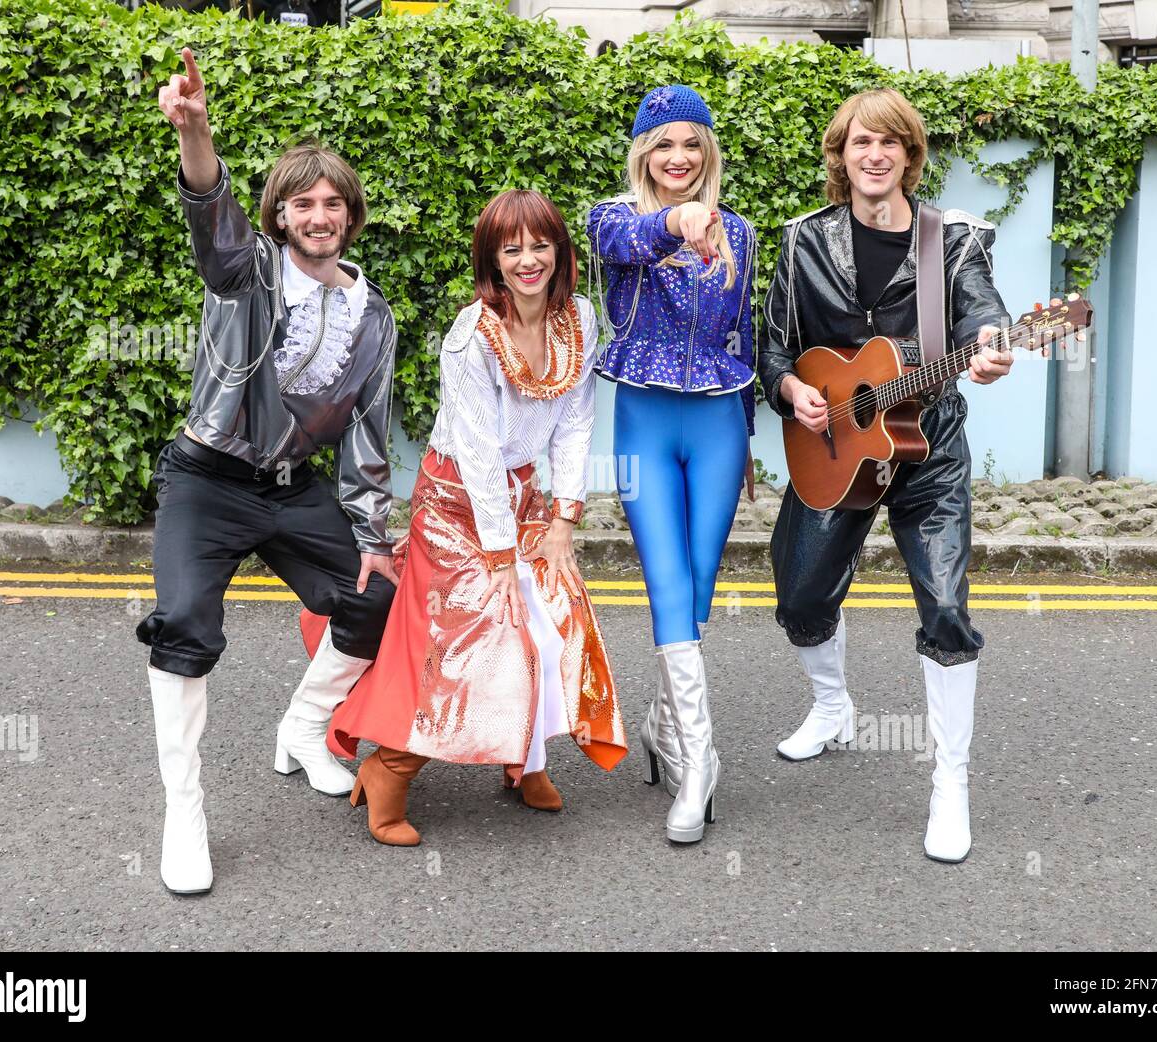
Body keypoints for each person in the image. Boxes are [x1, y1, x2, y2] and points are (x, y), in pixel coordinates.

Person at [139, 49, 398, 893]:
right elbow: (211, 217)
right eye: (302, 203)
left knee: (375, 598)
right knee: (182, 625)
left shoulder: (374, 315)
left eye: (332, 203)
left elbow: (366, 428)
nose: (319, 216)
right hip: (208, 481)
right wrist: (197, 131)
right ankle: (186, 813)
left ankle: (304, 725)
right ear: (280, 217)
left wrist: (372, 535)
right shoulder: (246, 275)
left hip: (293, 492)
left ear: (350, 215)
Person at [302, 189, 626, 846]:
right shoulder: (470, 338)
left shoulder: (581, 320)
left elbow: (574, 421)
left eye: (541, 244)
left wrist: (565, 520)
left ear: (560, 250)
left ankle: (523, 760)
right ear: (493, 260)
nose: (529, 259)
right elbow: (477, 456)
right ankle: (388, 769)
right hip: (457, 503)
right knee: (471, 644)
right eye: (513, 249)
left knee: (552, 625)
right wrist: (502, 556)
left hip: (528, 498)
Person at [757, 87, 1015, 863]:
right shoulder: (803, 240)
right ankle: (832, 706)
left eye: (890, 144)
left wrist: (995, 342)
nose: (874, 156)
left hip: (927, 447)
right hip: (835, 442)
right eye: (860, 144)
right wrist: (793, 389)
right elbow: (773, 347)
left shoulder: (955, 237)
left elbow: (981, 312)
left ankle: (950, 784)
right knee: (799, 591)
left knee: (945, 610)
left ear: (909, 154)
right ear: (841, 156)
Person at [587, 85, 757, 844]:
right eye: (664, 144)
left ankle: (662, 721)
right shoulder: (615, 219)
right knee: (663, 578)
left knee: (698, 587)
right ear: (643, 153)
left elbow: (742, 336)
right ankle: (699, 762)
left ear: (707, 153)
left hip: (719, 424)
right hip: (644, 426)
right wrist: (680, 223)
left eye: (692, 144)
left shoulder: (743, 234)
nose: (679, 157)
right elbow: (625, 247)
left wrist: (750, 435)